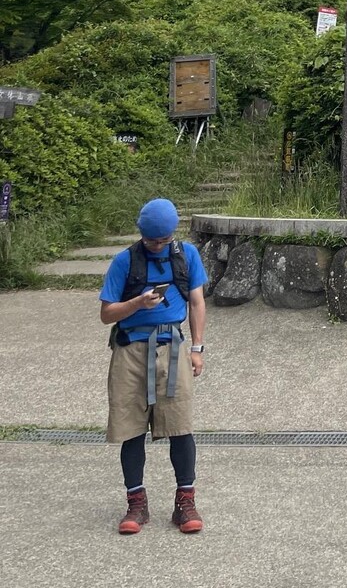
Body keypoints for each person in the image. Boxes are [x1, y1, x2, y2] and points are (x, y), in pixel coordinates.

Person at [99, 198, 209, 535]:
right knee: (130, 428)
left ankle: (185, 502)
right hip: (130, 351)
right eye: (151, 241)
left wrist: (197, 348)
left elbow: (197, 301)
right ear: (142, 234)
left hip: (172, 349)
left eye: (162, 241)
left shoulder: (186, 256)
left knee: (181, 426)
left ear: (172, 234)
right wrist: (137, 302)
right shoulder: (125, 261)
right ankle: (136, 503)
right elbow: (106, 314)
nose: (157, 246)